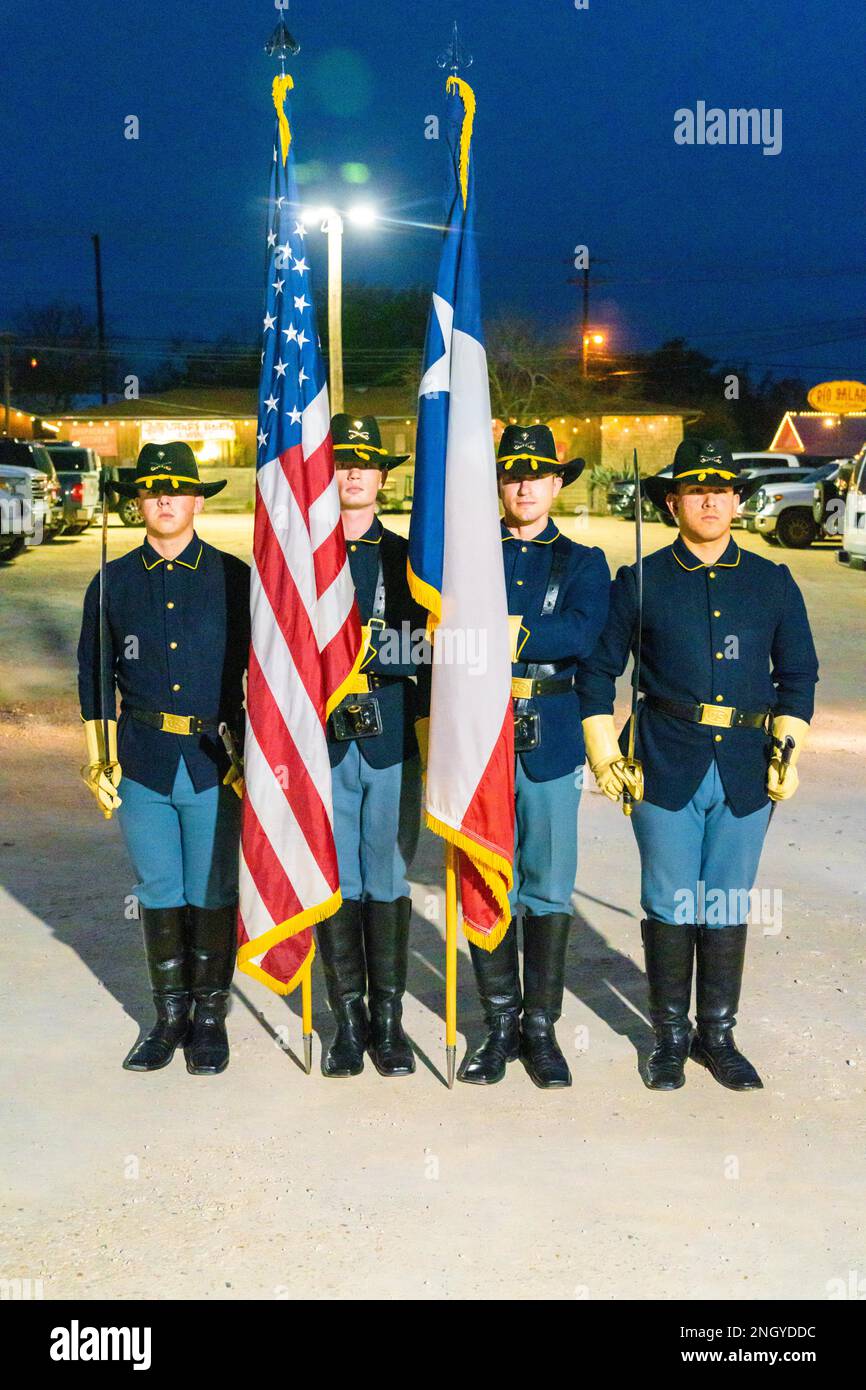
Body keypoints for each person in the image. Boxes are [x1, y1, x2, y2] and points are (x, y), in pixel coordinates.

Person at [579, 438, 818, 1091]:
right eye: (695, 489)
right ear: (673, 501)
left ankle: (717, 1034)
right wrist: (604, 751)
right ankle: (670, 1038)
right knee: (669, 898)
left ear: (738, 500)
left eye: (721, 488)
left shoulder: (771, 581)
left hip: (746, 764)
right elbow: (597, 673)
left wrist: (788, 743)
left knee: (726, 900)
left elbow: (798, 674)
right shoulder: (642, 580)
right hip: (662, 758)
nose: (710, 500)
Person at [77, 442, 249, 1076]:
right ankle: (168, 1017)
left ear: (199, 500)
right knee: (158, 888)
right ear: (138, 503)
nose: (166, 499)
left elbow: (266, 672)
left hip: (215, 758)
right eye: (152, 490)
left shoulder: (235, 578)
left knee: (211, 887)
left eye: (177, 488)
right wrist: (100, 755)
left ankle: (209, 1020)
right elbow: (93, 675)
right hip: (144, 759)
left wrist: (261, 752)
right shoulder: (114, 581)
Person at [458, 424, 611, 1089]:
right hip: (480, 732)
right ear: (500, 484)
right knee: (489, 878)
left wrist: (505, 631)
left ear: (556, 484)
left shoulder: (583, 560)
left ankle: (540, 1031)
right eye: (512, 474)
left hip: (550, 728)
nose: (524, 485)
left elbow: (582, 632)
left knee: (548, 883)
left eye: (537, 475)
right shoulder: (467, 557)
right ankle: (496, 1027)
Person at [317, 414, 427, 1079]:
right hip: (323, 741)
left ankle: (388, 1022)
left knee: (385, 877)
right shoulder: (303, 560)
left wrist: (357, 652)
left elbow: (429, 649)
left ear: (384, 476)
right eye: (341, 462)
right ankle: (346, 1021)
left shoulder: (412, 559)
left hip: (391, 731)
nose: (353, 473)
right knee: (338, 879)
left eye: (366, 463)